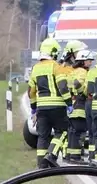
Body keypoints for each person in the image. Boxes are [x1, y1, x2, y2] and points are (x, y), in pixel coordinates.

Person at [28, 38, 71, 169]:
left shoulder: (35, 68)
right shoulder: (56, 66)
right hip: (57, 106)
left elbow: (31, 91)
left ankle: (42, 165)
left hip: (41, 108)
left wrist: (33, 108)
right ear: (53, 52)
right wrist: (69, 103)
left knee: (43, 136)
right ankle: (51, 155)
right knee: (63, 132)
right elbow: (62, 86)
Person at [65, 48, 92, 164]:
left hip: (71, 103)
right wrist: (85, 93)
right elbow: (79, 84)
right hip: (80, 104)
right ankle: (75, 157)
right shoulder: (82, 72)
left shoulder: (73, 71)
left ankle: (69, 155)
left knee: (72, 131)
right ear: (83, 61)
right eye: (89, 60)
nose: (91, 62)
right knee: (79, 132)